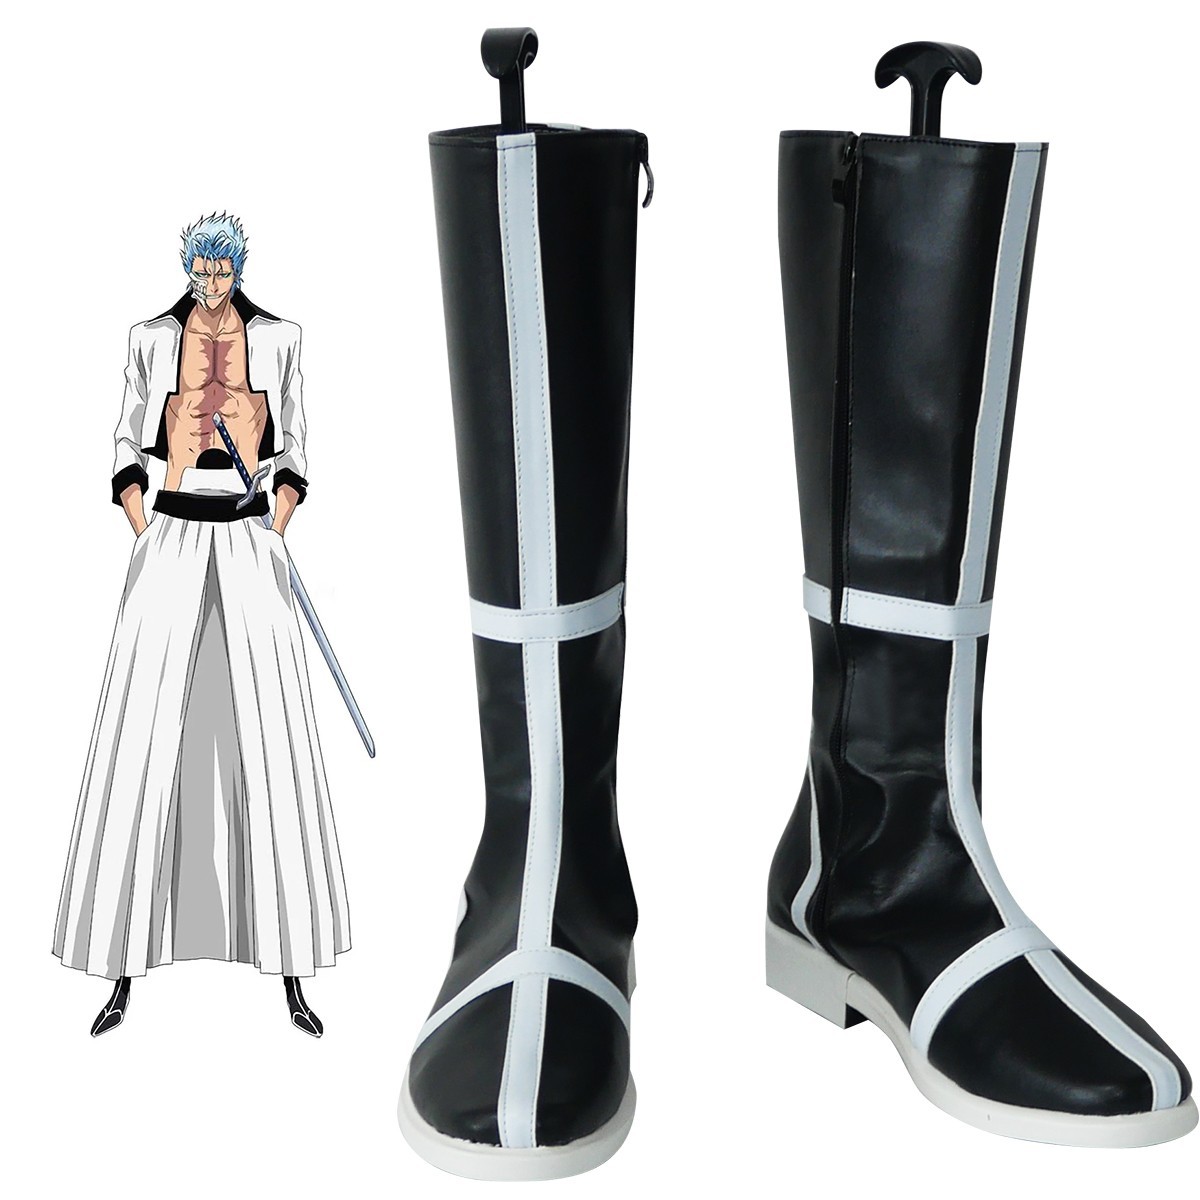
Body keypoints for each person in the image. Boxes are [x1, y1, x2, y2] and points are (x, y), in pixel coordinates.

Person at [53, 213, 350, 1037]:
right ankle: (121, 972)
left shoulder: (280, 338)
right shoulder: (151, 339)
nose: (212, 283)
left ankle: (291, 973)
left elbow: (294, 449)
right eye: (202, 269)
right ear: (188, 267)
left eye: (223, 270)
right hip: (173, 534)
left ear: (238, 268)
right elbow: (125, 441)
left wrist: (275, 526)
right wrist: (145, 526)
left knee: (269, 739)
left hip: (251, 538)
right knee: (144, 738)